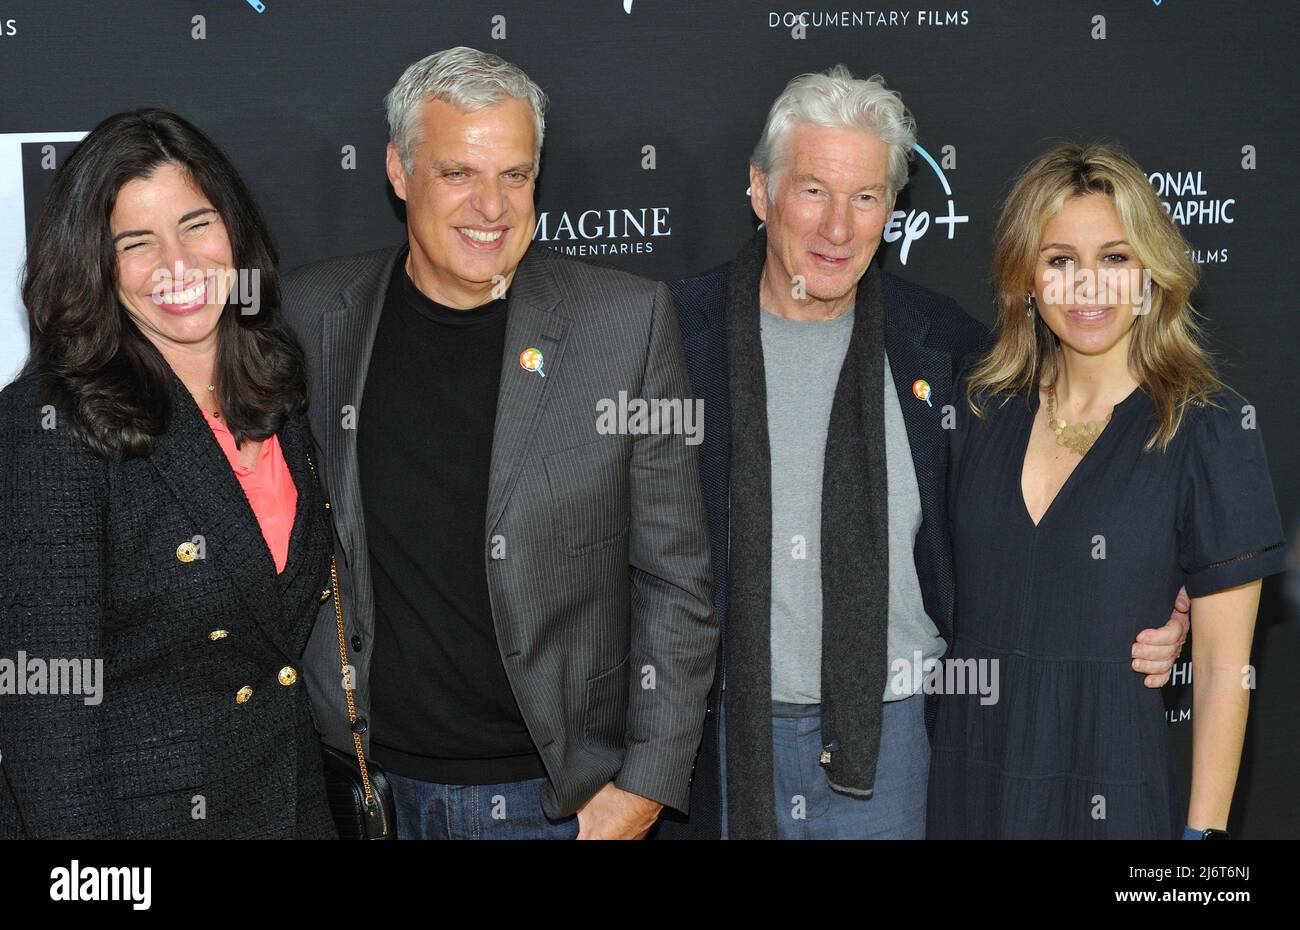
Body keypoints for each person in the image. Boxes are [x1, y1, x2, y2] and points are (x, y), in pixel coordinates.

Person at [655, 67, 1189, 840]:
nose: (838, 227)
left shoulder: (952, 351)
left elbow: (1053, 510)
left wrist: (1167, 601)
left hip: (901, 740)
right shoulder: (671, 337)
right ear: (759, 191)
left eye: (866, 196)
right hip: (716, 737)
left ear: (892, 209)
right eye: (812, 191)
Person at [281, 47, 717, 840]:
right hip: (359, 793)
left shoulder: (622, 324)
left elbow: (676, 579)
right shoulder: (313, 317)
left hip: (550, 803)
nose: (492, 205)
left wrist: (643, 791)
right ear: (399, 171)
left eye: (515, 175)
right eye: (458, 174)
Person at [927, 142, 1288, 839]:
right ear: (1026, 280)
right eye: (1060, 260)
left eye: (1115, 258)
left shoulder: (1208, 430)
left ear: (1150, 273)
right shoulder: (976, 412)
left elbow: (1221, 673)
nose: (1087, 286)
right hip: (968, 783)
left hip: (1113, 790)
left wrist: (1202, 843)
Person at [0, 109, 337, 839]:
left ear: (235, 230)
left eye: (196, 224)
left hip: (289, 804)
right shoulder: (50, 425)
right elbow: (47, 716)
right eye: (137, 242)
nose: (178, 265)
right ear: (95, 263)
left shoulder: (279, 385)